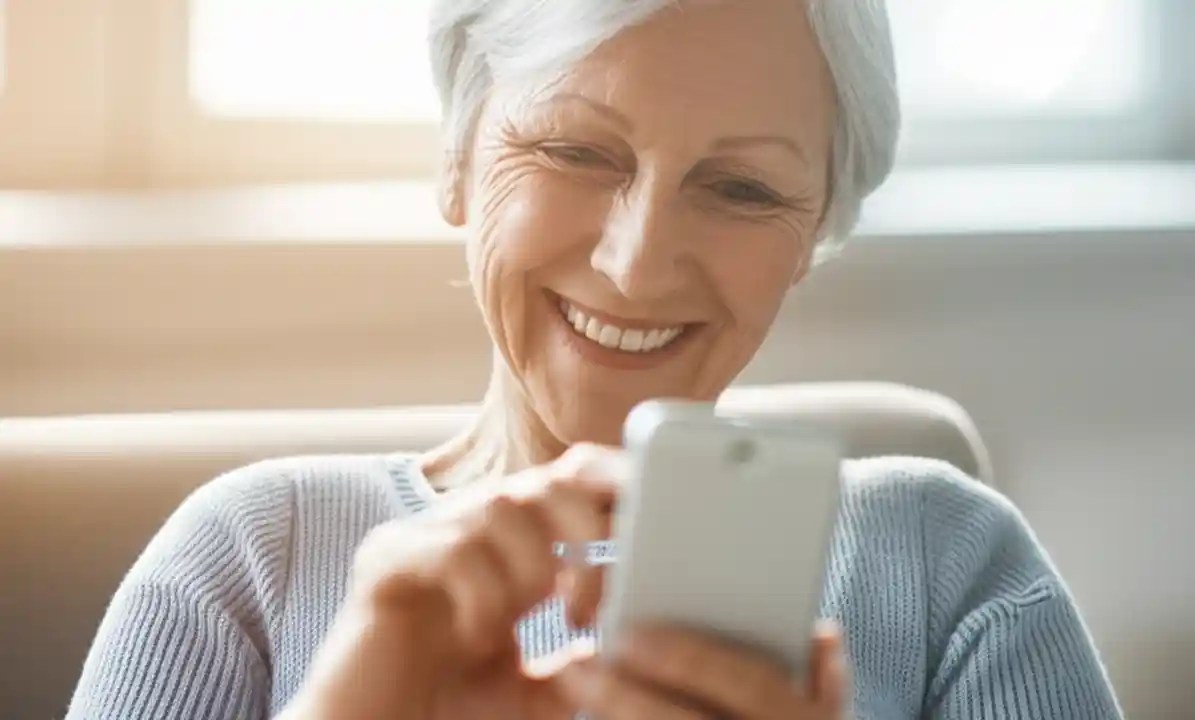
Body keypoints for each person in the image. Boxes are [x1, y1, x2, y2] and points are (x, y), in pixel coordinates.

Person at [66, 0, 1123, 718]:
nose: (634, 262)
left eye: (742, 190)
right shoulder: (251, 562)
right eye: (573, 151)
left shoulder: (948, 570)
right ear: (457, 161)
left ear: (811, 236)